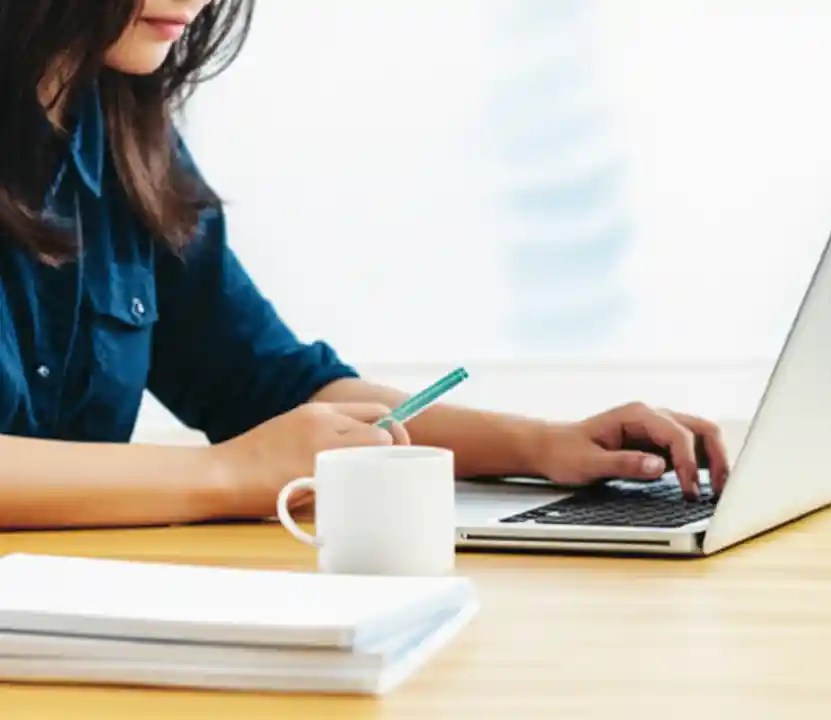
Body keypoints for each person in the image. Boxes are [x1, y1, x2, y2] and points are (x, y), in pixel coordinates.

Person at [0, 0, 729, 529]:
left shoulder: (126, 138)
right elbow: (257, 444)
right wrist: (229, 474)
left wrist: (545, 445)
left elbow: (271, 384)